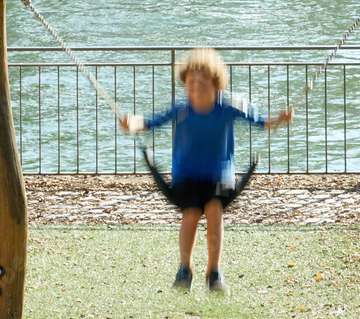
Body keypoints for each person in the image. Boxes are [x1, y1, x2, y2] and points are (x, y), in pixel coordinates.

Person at [120, 48, 292, 295]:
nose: (195, 89)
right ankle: (185, 268)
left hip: (218, 174)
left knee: (214, 213)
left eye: (202, 84)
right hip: (186, 175)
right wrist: (132, 122)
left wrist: (279, 119)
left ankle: (214, 272)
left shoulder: (228, 108)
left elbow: (259, 121)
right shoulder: (181, 111)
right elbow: (150, 123)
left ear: (216, 85)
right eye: (190, 84)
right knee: (190, 214)